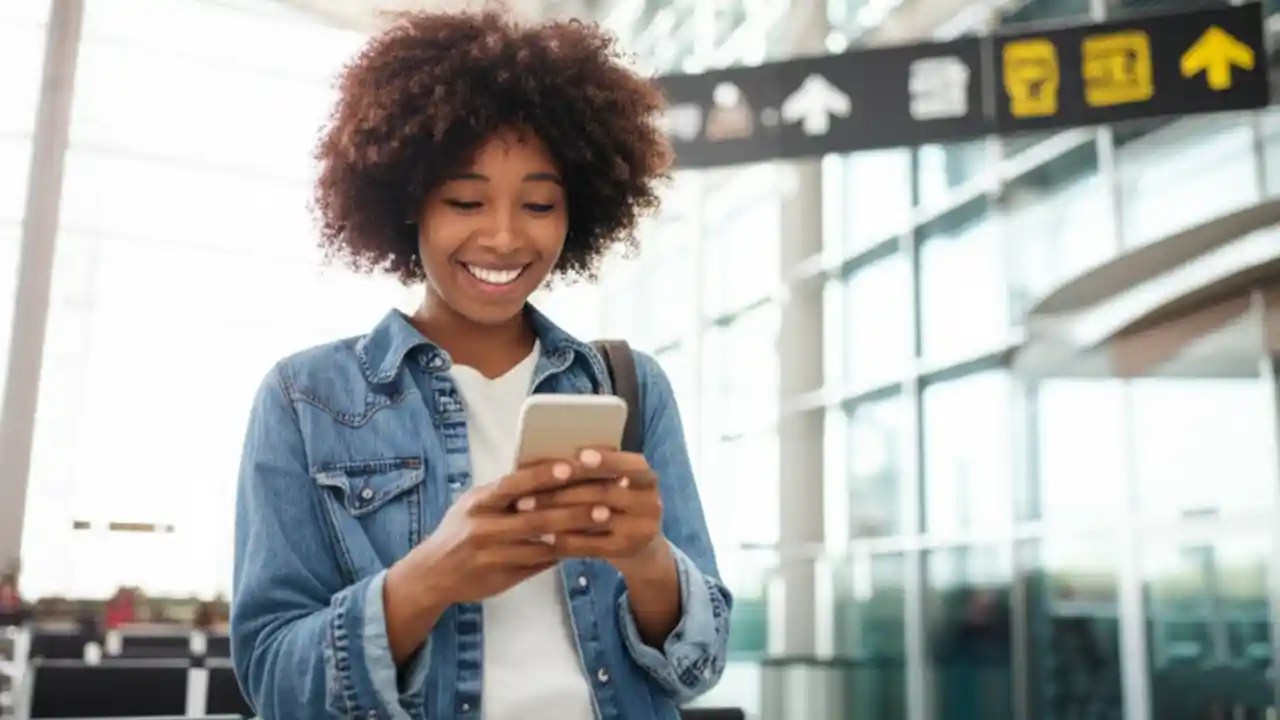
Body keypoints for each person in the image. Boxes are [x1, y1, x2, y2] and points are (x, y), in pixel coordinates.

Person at [230, 10, 731, 720]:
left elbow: (700, 666)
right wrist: (427, 580)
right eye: (465, 200)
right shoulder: (306, 399)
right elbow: (276, 682)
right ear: (410, 204)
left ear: (576, 210)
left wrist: (647, 558)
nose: (502, 237)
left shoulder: (629, 386)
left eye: (538, 203)